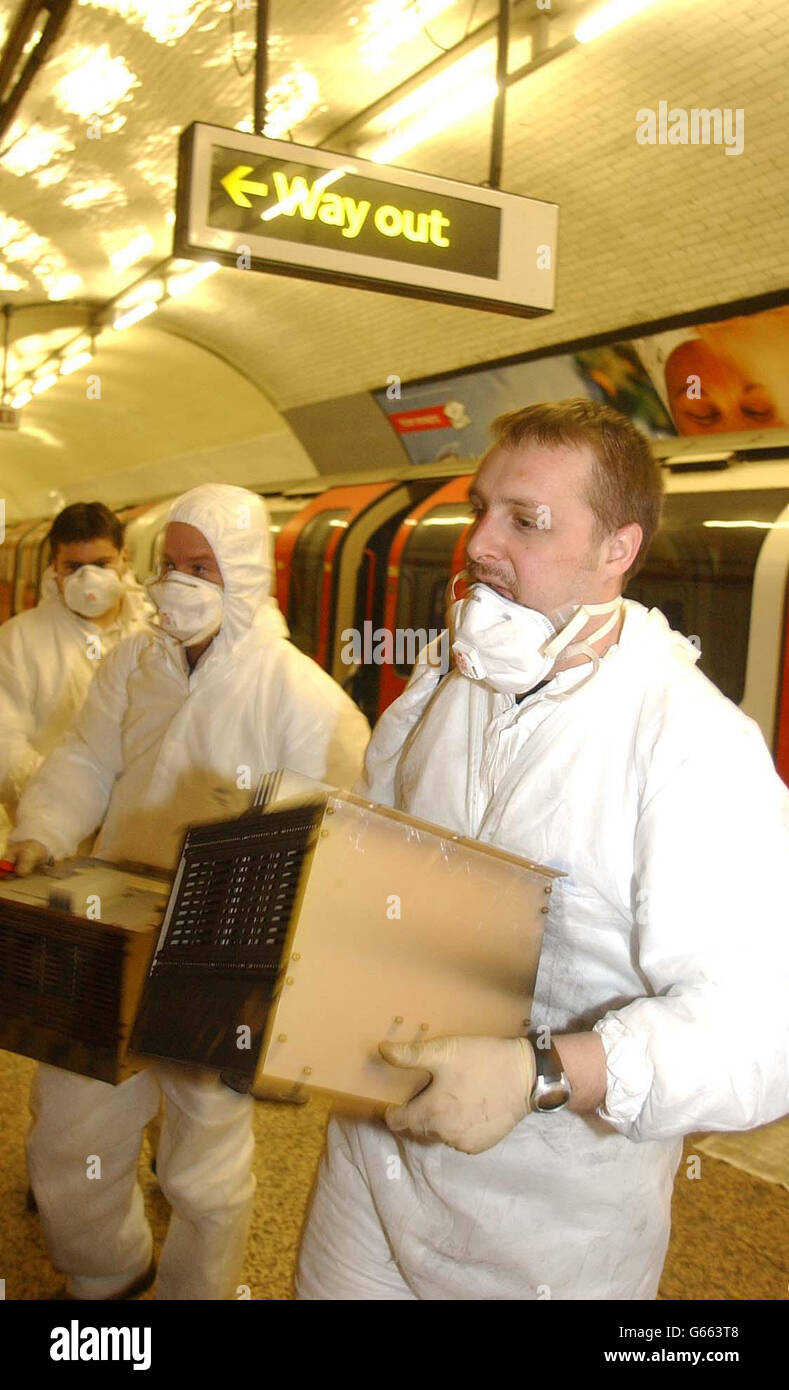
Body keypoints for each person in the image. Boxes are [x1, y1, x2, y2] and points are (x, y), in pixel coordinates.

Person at [295, 398, 789, 1301]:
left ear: (617, 551)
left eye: (525, 521)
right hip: (368, 1172)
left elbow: (764, 1029)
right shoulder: (454, 678)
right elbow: (378, 856)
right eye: (482, 507)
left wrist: (546, 1070)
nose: (479, 541)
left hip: (545, 1235)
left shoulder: (689, 745)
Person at [7, 483, 370, 1301]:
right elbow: (85, 761)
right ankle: (108, 1274)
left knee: (202, 1161)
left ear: (244, 573)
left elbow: (338, 841)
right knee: (71, 1125)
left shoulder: (301, 696)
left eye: (201, 566)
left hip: (220, 957)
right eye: (168, 565)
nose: (178, 583)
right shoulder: (137, 662)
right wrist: (45, 829)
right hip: (112, 930)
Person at [0, 501, 149, 829]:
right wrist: (73, 796)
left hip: (142, 829)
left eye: (101, 563)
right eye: (74, 567)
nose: (89, 578)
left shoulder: (154, 633)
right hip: (53, 836)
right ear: (55, 567)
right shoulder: (17, 641)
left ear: (124, 558)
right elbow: (4, 742)